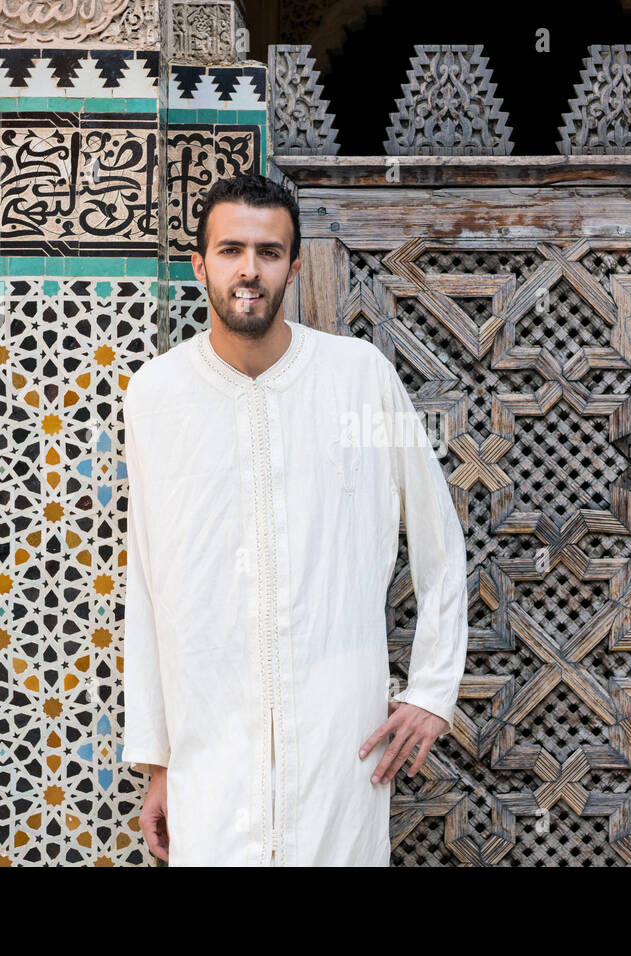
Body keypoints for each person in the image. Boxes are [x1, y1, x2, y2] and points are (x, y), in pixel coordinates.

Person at [120, 172, 469, 865]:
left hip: (339, 747)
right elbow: (148, 583)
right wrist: (159, 764)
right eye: (230, 250)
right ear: (200, 266)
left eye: (269, 252)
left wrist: (432, 692)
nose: (249, 269)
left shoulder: (358, 377)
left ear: (295, 267)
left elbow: (439, 540)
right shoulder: (156, 394)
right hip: (210, 755)